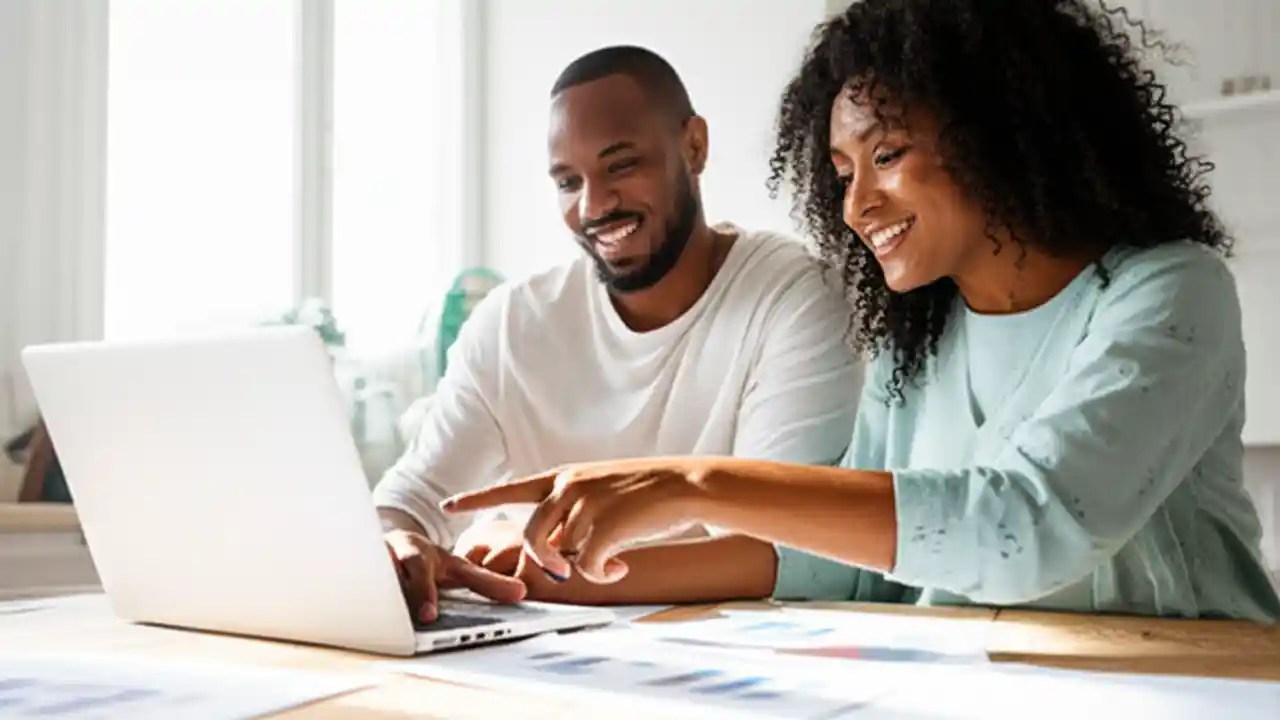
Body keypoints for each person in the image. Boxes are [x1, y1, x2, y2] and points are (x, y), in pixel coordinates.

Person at [445, 0, 1280, 621]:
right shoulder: (916, 340)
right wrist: (546, 576)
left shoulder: (1169, 291)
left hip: (1193, 686)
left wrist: (689, 485)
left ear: (999, 130)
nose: (856, 207)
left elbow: (1028, 526)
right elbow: (841, 571)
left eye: (887, 155)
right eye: (842, 173)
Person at [374, 46, 860, 623]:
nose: (594, 205)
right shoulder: (511, 325)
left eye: (621, 166)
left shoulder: (793, 298)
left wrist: (545, 575)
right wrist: (397, 546)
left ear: (694, 146)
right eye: (567, 181)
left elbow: (786, 549)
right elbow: (408, 501)